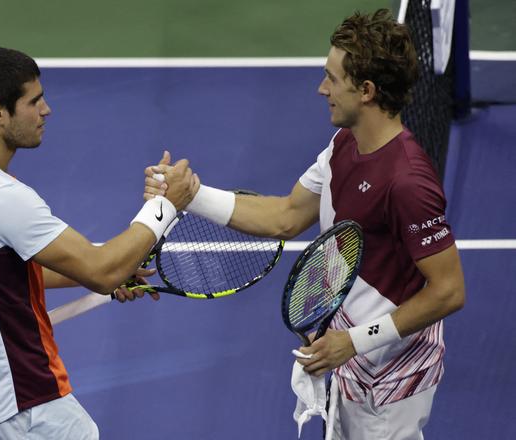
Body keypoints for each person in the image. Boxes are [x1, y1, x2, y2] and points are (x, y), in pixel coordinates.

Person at [144, 9, 465, 440]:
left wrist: (355, 341)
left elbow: (449, 290)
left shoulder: (408, 182)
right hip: (350, 355)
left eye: (332, 78)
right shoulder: (343, 144)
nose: (322, 88)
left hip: (390, 378)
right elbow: (285, 215)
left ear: (366, 90)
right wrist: (190, 195)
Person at [0, 46, 198, 440]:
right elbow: (102, 270)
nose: (46, 110)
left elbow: (3, 271)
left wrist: (103, 273)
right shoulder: (4, 198)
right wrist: (163, 207)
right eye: (33, 101)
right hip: (26, 399)